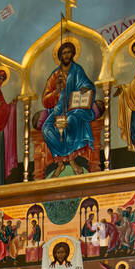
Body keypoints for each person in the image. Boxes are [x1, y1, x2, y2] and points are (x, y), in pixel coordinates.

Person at [38, 40, 98, 171]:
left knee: (70, 122)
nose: (66, 55)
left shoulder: (77, 70)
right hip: (58, 109)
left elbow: (88, 86)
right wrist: (56, 92)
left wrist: (85, 89)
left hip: (74, 108)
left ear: (73, 54)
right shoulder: (55, 75)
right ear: (60, 56)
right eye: (64, 53)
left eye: (69, 52)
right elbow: (45, 99)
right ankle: (59, 162)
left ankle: (71, 161)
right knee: (46, 129)